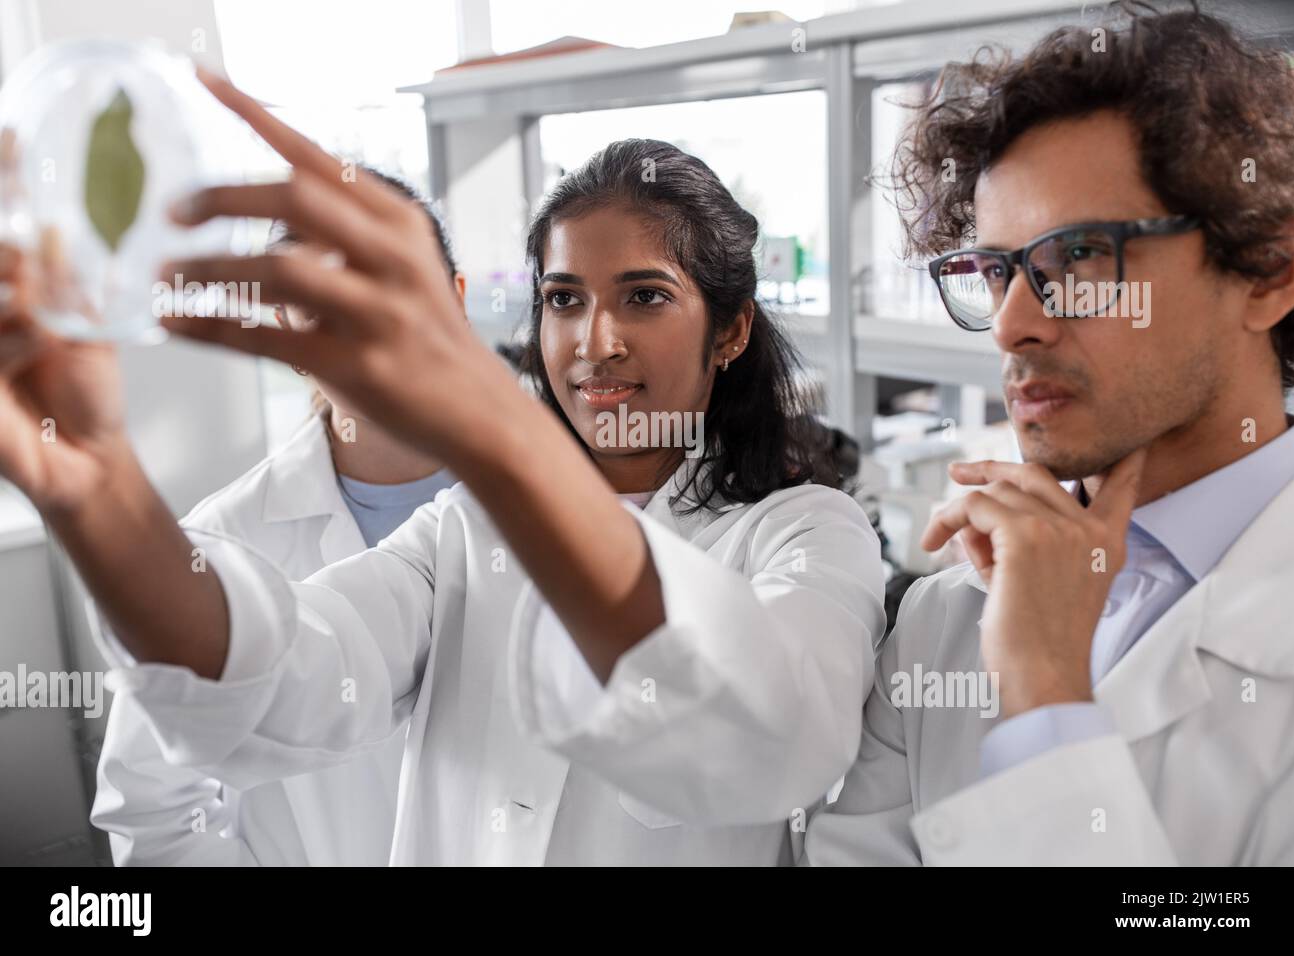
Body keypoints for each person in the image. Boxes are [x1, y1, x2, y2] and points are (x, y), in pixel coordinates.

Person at [0, 123, 885, 863]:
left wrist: (498, 434)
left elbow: (776, 741)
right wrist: (101, 491)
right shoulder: (460, 531)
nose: (595, 340)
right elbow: (300, 670)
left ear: (730, 329)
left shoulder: (809, 533)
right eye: (563, 298)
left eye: (645, 297)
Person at [805, 4, 1294, 865]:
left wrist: (1041, 694)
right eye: (997, 270)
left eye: (1078, 258)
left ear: (1268, 273)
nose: (1009, 325)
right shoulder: (943, 614)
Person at [90, 169, 465, 866]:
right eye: (312, 297)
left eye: (383, 278)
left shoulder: (557, 507)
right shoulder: (221, 543)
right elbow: (152, 810)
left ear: (456, 301)